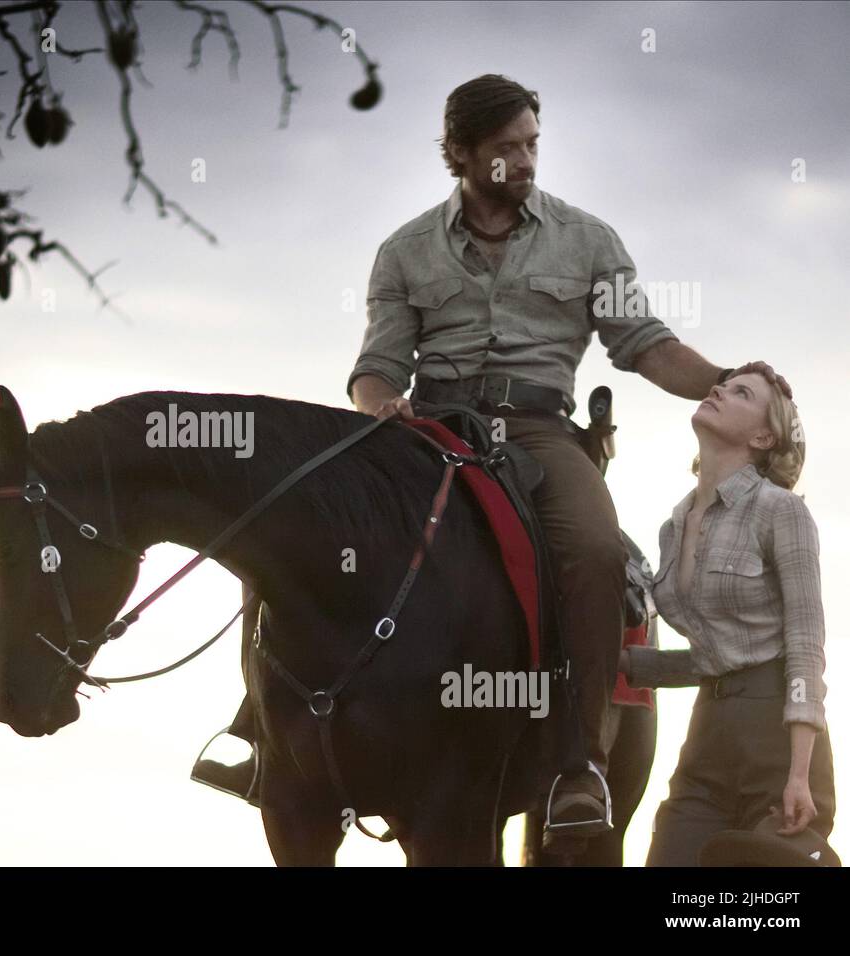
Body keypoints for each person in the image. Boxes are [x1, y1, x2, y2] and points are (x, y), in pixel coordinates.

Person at [192, 72, 786, 845]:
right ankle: (265, 737)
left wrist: (733, 380)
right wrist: (380, 407)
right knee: (299, 527)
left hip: (538, 428)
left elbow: (648, 347)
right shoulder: (404, 249)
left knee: (599, 551)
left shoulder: (587, 239)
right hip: (425, 429)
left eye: (533, 144)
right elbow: (376, 365)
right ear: (462, 153)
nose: (525, 160)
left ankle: (579, 764)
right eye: (507, 148)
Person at [620, 371, 835, 866]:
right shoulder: (671, 528)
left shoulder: (780, 512)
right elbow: (714, 654)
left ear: (764, 438)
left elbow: (804, 645)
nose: (717, 390)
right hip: (706, 734)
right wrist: (626, 663)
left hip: (776, 734)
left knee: (754, 910)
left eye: (741, 392)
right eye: (723, 385)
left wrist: (799, 773)